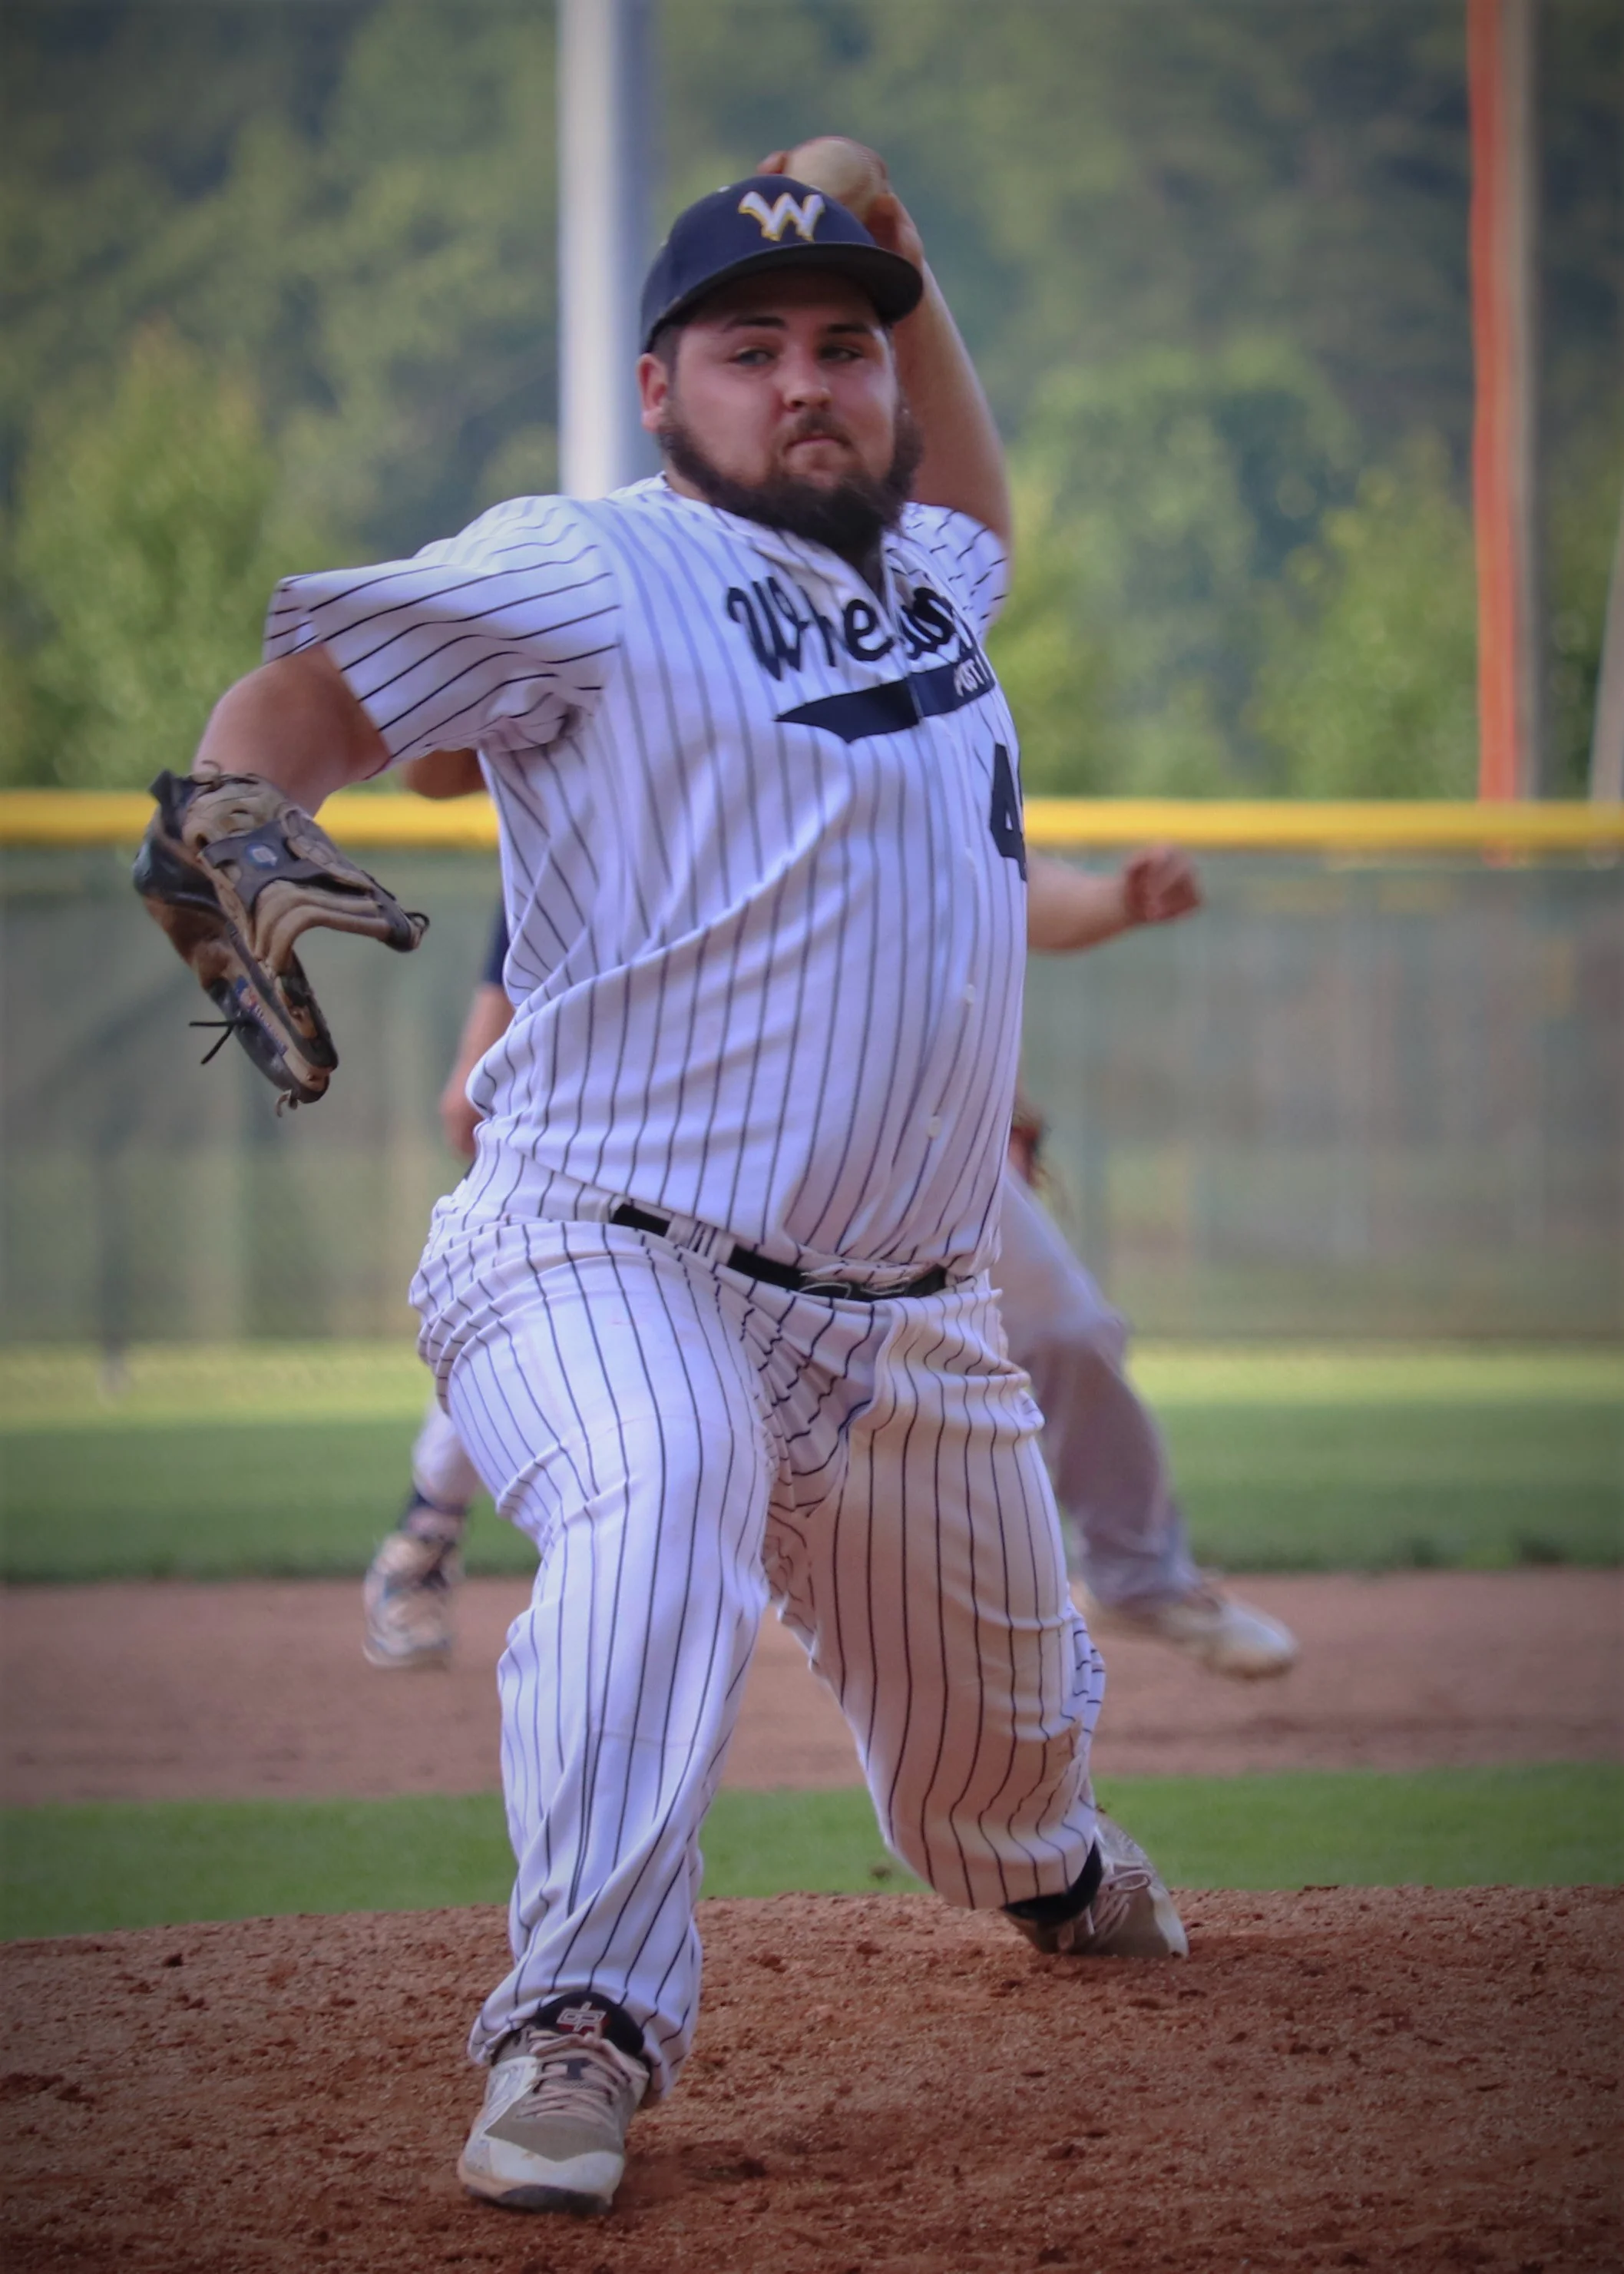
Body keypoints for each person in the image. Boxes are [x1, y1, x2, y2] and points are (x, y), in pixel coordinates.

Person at [187, 155, 1188, 2220]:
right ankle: (581, 2018)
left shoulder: (925, 577)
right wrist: (230, 816)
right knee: (655, 1493)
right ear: (661, 389)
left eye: (845, 345)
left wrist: (916, 266)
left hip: (908, 1314)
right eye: (751, 351)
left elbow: (982, 512)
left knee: (995, 1786)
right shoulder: (588, 570)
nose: (805, 384)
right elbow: (311, 702)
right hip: (600, 1245)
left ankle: (1052, 1861)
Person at [366, 847, 1297, 1681]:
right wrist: (481, 1041)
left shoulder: (900, 708)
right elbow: (547, 864)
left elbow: (992, 882)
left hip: (897, 1131)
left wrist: (1114, 903)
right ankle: (426, 1531)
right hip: (679, 1126)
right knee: (587, 1329)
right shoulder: (696, 714)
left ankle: (1138, 1573)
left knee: (1068, 1329)